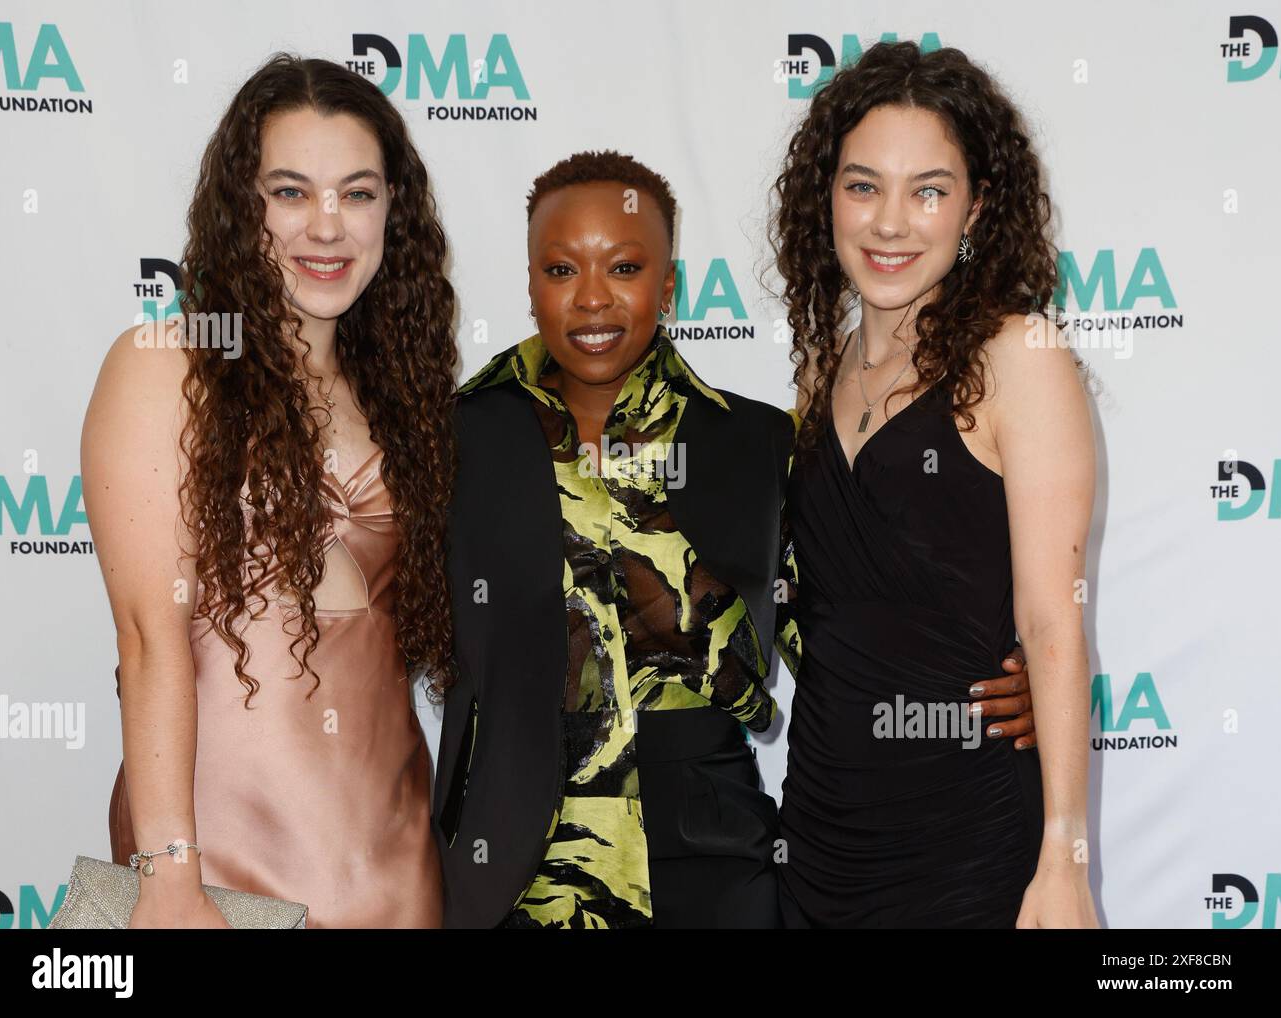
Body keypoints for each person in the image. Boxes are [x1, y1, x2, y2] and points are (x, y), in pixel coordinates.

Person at [433, 150, 1038, 929]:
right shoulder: (453, 439)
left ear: (669, 285)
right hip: (511, 860)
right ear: (529, 284)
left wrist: (982, 688)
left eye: (623, 267)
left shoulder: (755, 441)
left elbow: (841, 633)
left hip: (711, 853)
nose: (592, 300)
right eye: (559, 270)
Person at [81, 54, 457, 928]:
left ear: (392, 211)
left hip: (391, 845)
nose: (327, 227)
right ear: (240, 207)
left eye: (358, 194)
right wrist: (170, 872)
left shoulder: (404, 393)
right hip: (221, 854)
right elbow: (147, 635)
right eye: (291, 192)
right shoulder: (171, 366)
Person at [770, 41, 1099, 927]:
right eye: (863, 184)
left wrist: (1063, 859)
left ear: (976, 207)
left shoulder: (1019, 359)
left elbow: (1051, 621)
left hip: (969, 831)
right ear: (827, 195)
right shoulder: (819, 373)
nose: (890, 224)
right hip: (821, 824)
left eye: (929, 190)